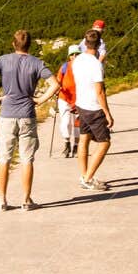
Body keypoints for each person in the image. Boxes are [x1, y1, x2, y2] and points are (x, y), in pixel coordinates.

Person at [0, 30, 57, 211]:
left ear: (13, 44)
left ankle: (2, 200)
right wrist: (40, 100)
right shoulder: (37, 63)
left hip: (7, 114)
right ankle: (26, 200)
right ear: (29, 45)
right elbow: (55, 84)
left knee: (4, 158)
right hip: (27, 114)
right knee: (26, 159)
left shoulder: (3, 60)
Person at [72, 30, 115, 192]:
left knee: (84, 139)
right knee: (104, 142)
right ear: (98, 45)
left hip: (81, 105)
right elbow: (100, 92)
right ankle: (88, 178)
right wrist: (107, 113)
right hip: (93, 108)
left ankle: (84, 175)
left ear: (85, 42)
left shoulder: (77, 60)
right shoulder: (96, 64)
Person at [55, 43, 81, 157]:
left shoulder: (84, 68)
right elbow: (57, 82)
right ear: (69, 56)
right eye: (72, 54)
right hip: (64, 98)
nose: (75, 56)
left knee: (77, 124)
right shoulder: (64, 67)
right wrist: (56, 91)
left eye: (77, 54)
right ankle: (66, 145)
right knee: (65, 123)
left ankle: (76, 146)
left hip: (80, 100)